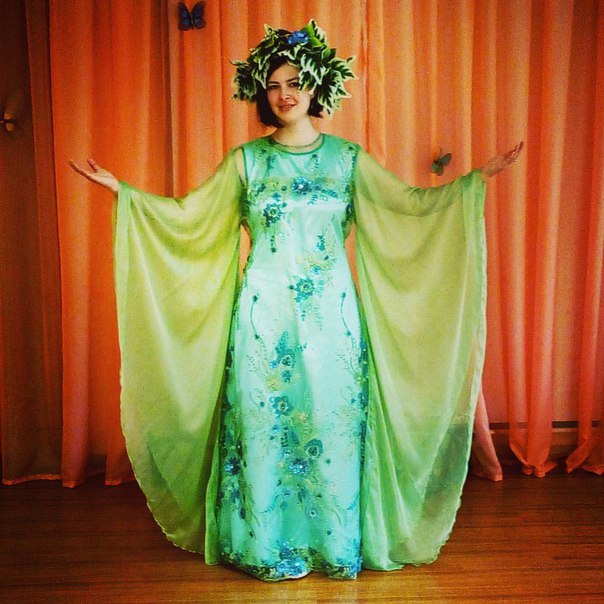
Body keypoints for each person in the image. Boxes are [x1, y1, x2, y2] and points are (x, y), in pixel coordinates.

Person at [70, 20, 522, 582]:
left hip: (332, 319)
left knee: (331, 423)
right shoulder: (246, 161)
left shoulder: (348, 160)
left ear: (317, 87)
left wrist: (474, 182)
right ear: (262, 93)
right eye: (275, 85)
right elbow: (189, 215)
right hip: (263, 316)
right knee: (262, 422)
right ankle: (262, 544)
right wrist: (125, 193)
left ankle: (332, 543)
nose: (286, 94)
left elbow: (408, 205)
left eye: (296, 83)